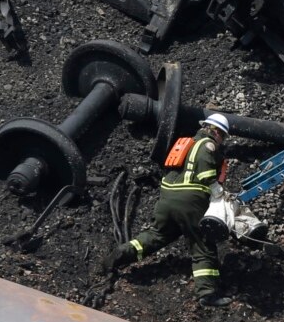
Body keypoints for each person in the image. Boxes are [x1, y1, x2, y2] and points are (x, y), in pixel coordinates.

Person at [100, 114, 233, 307]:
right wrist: (216, 190)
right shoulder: (207, 145)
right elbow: (205, 173)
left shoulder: (186, 143)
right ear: (216, 131)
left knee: (156, 235)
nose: (222, 140)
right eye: (223, 135)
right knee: (202, 244)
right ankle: (207, 293)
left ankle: (120, 255)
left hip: (167, 199)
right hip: (189, 201)